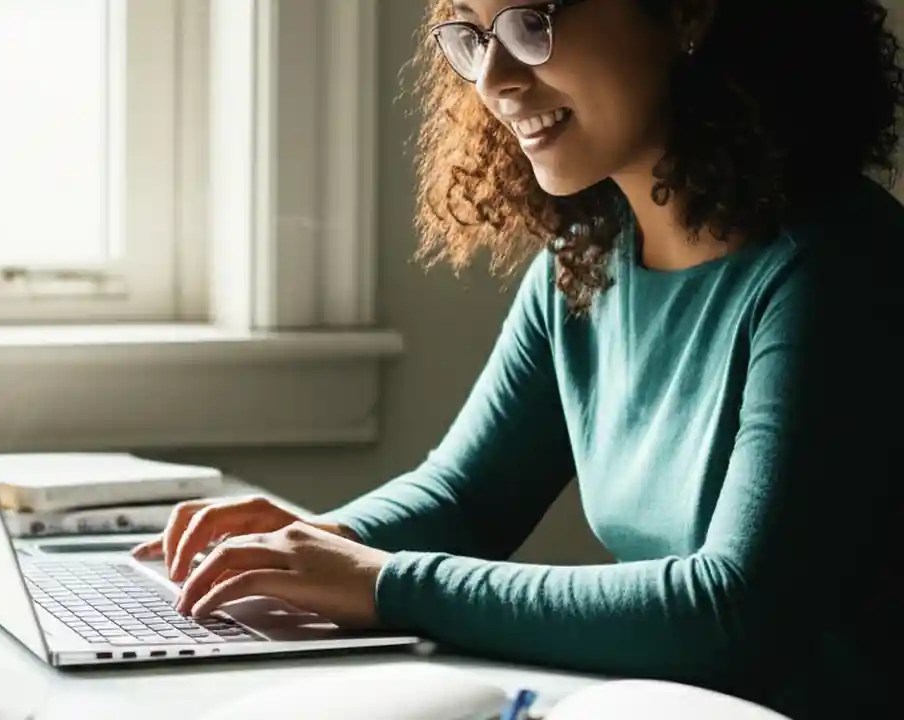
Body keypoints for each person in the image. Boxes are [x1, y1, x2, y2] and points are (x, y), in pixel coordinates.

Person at [133, 0, 904, 716]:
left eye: (532, 20)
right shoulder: (585, 259)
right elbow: (468, 497)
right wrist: (311, 548)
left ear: (686, 10)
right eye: (472, 34)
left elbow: (733, 609)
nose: (496, 80)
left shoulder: (839, 268)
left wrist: (383, 582)